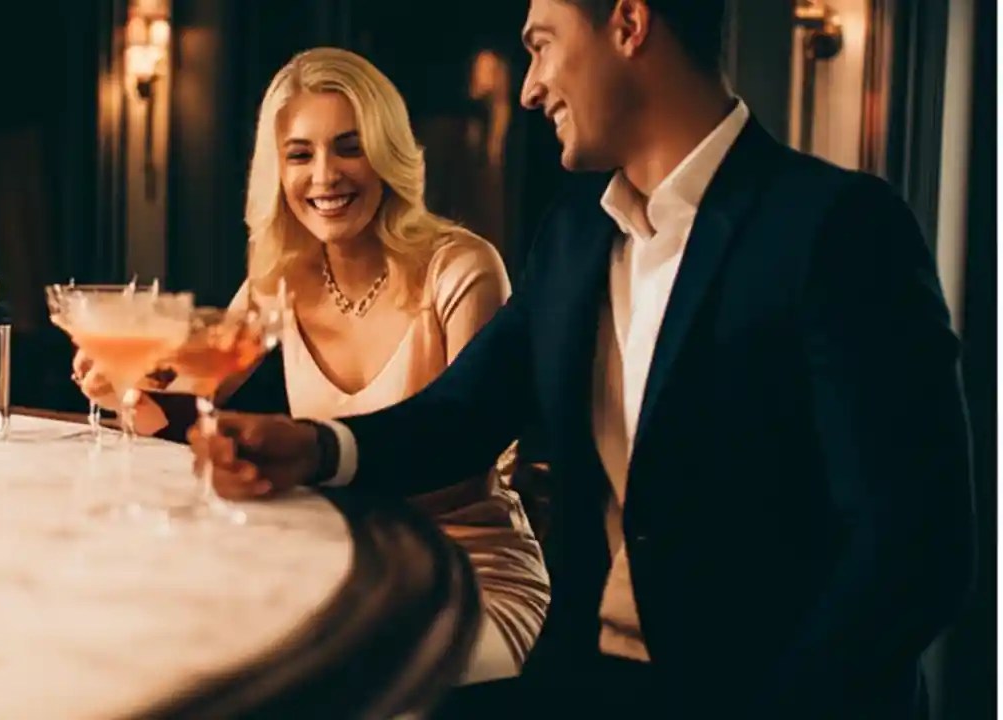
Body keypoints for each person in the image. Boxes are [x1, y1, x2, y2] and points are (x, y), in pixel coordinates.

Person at [186, 1, 975, 718]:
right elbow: (464, 413)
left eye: (542, 46)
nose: (529, 89)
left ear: (629, 24)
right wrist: (319, 447)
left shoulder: (836, 227)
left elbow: (913, 554)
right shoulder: (576, 235)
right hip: (589, 684)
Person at [74, 47, 550, 686]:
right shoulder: (279, 280)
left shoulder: (460, 267)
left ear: (388, 154)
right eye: (300, 154)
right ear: (277, 171)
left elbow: (465, 458)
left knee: (325, 679)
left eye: (349, 147)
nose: (325, 176)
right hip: (337, 562)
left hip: (466, 571)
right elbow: (185, 400)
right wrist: (125, 385)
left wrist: (311, 463)